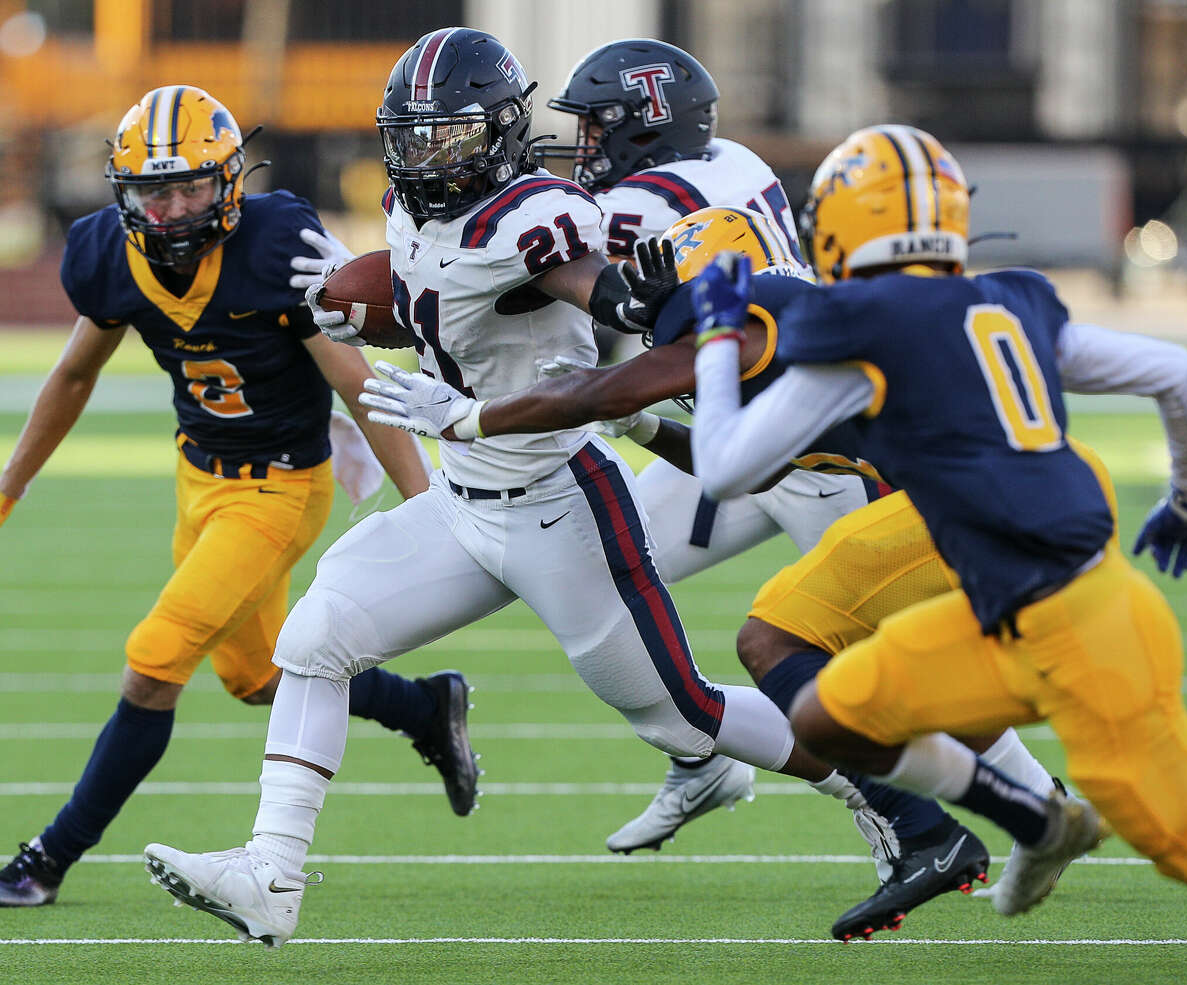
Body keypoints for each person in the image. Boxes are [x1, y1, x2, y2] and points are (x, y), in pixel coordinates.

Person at [140, 30, 825, 949]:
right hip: (462, 502)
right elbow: (440, 311)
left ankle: (879, 789)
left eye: (450, 135)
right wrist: (355, 314)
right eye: (413, 135)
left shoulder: (533, 213)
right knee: (315, 634)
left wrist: (636, 294)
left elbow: (597, 294)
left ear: (500, 131)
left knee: (681, 710)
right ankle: (271, 873)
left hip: (556, 498)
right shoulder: (406, 205)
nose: (428, 155)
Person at [362, 204, 1108, 939]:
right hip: (1006, 495)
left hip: (976, 502)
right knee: (920, 680)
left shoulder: (754, 313)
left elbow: (602, 388)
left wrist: (468, 417)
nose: (662, 314)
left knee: (774, 639)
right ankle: (1039, 818)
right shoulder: (783, 321)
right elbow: (755, 468)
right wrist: (646, 428)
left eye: (675, 292)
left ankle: (923, 828)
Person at [684, 123, 1187, 924]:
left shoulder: (864, 333)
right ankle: (1037, 819)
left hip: (1089, 637)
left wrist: (716, 334)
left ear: (842, 223)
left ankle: (1043, 819)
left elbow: (723, 467)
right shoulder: (1008, 301)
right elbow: (1178, 373)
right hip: (1002, 620)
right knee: (828, 714)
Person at [0, 85, 480, 908]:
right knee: (258, 674)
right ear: (126, 193)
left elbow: (356, 381)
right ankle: (425, 706)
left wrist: (430, 505)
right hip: (198, 479)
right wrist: (9, 486)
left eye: (191, 185)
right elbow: (75, 372)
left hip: (283, 488)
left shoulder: (273, 246)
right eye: (157, 190)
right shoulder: (110, 257)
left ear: (229, 181)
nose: (176, 206)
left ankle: (47, 857)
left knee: (153, 665)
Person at [535, 38, 937, 868]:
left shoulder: (645, 203)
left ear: (644, 128)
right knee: (598, 569)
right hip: (734, 426)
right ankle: (699, 753)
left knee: (892, 665)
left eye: (597, 127)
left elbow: (556, 282)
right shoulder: (732, 160)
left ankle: (1037, 802)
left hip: (812, 455)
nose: (583, 146)